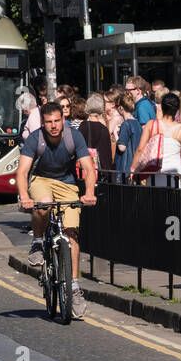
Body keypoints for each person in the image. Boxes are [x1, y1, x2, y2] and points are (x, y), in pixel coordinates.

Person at [17, 102, 98, 318]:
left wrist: (89, 192)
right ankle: (37, 241)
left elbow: (89, 168)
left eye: (57, 121)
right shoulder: (36, 139)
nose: (53, 126)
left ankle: (73, 286)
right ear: (43, 123)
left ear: (63, 119)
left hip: (67, 184)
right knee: (44, 204)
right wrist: (25, 197)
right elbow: (22, 171)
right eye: (49, 122)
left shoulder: (74, 137)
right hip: (41, 180)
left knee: (71, 234)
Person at [130, 92, 181, 188]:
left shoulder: (151, 125)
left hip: (154, 169)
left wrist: (133, 168)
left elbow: (140, 149)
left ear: (162, 107)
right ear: (177, 110)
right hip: (175, 173)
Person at [78, 93, 114, 175]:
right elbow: (107, 155)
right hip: (100, 172)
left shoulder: (83, 126)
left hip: (84, 169)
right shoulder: (104, 129)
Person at [113, 90, 142, 183]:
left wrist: (115, 134)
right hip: (136, 167)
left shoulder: (125, 124)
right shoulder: (137, 123)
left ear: (121, 108)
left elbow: (122, 147)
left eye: (117, 106)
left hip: (125, 169)